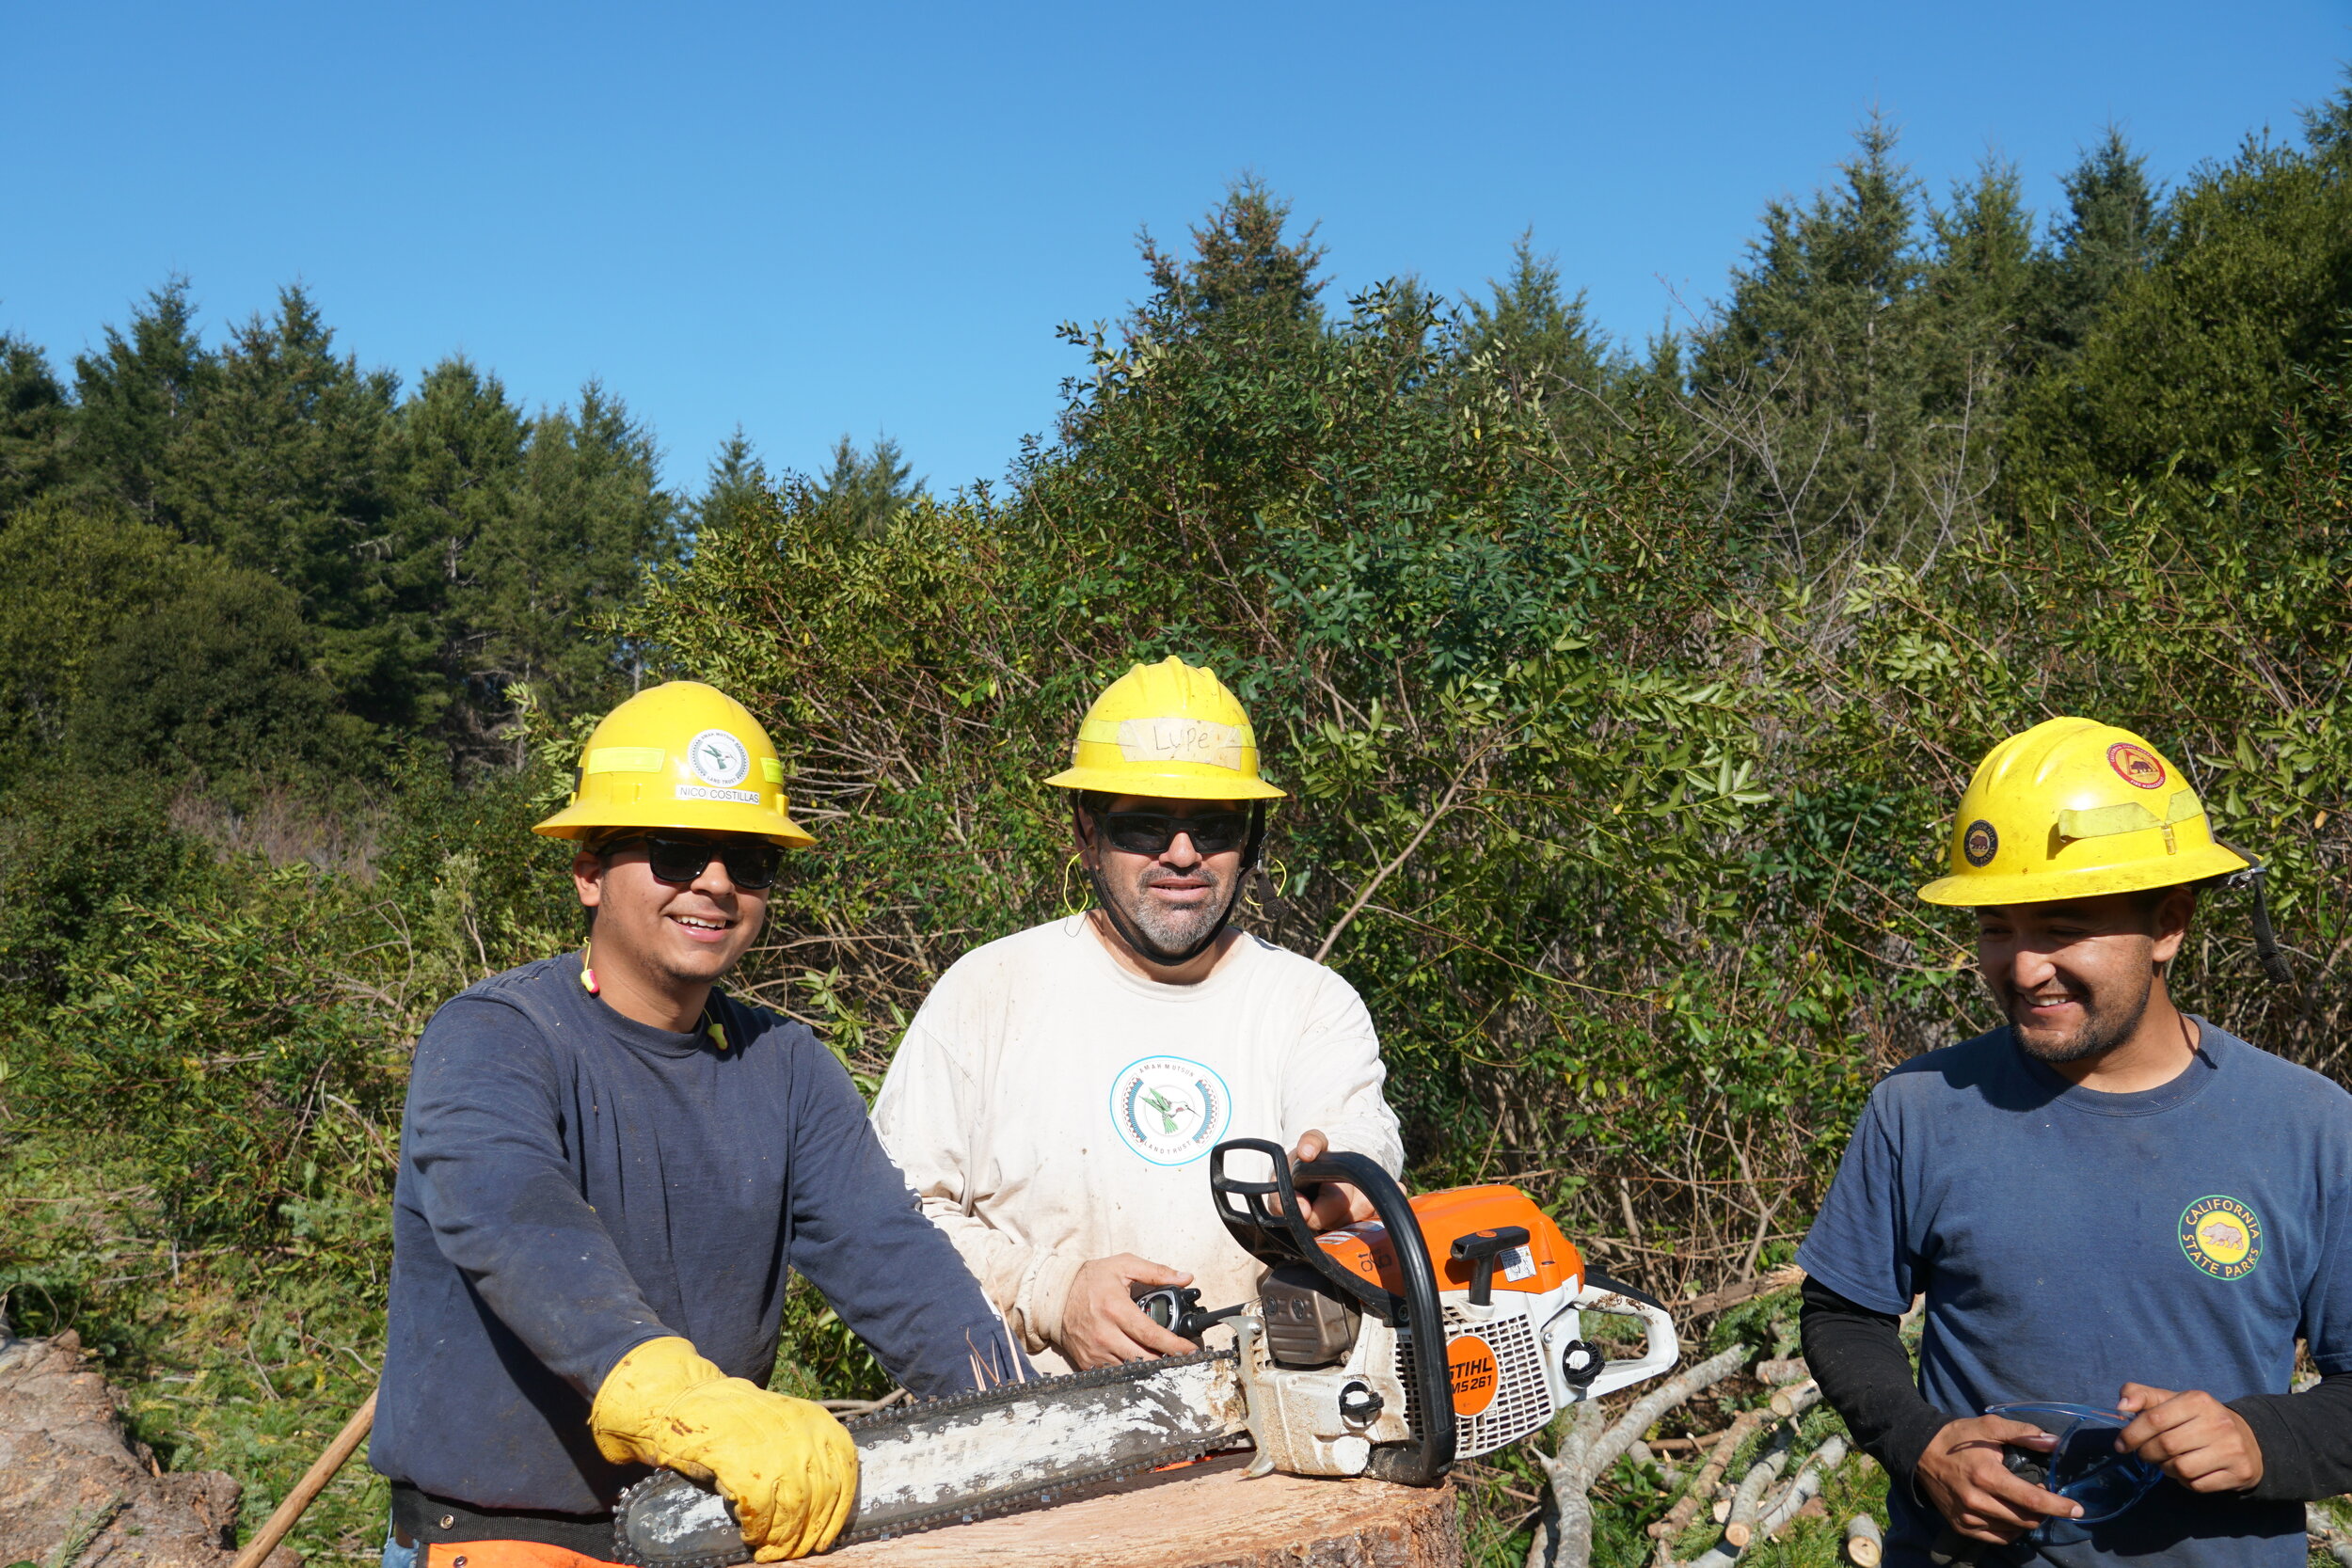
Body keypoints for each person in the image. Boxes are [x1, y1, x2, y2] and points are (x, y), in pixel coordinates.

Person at [370, 681, 1023, 1568]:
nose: (714, 883)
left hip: (702, 1535)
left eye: (746, 860)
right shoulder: (494, 1038)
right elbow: (519, 1227)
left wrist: (1021, 1422)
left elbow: (901, 1271)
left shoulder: (785, 1065)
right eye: (676, 851)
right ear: (589, 871)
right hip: (502, 1539)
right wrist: (683, 1401)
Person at [1797, 717, 2352, 1568]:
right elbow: (1843, 1314)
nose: (2022, 968)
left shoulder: (2309, 1127)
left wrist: (2261, 1438)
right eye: (1996, 927)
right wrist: (1921, 1447)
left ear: (2168, 923)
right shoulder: (1919, 1108)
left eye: (2061, 927)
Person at [872, 656, 1406, 1373]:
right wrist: (1052, 1295)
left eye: (1213, 826)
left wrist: (1342, 1185)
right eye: (1145, 825)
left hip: (1269, 1434)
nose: (1182, 854)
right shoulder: (987, 993)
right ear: (1086, 830)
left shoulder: (1310, 1003)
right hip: (1037, 1440)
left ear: (1250, 838)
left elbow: (1352, 1137)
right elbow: (889, 1224)